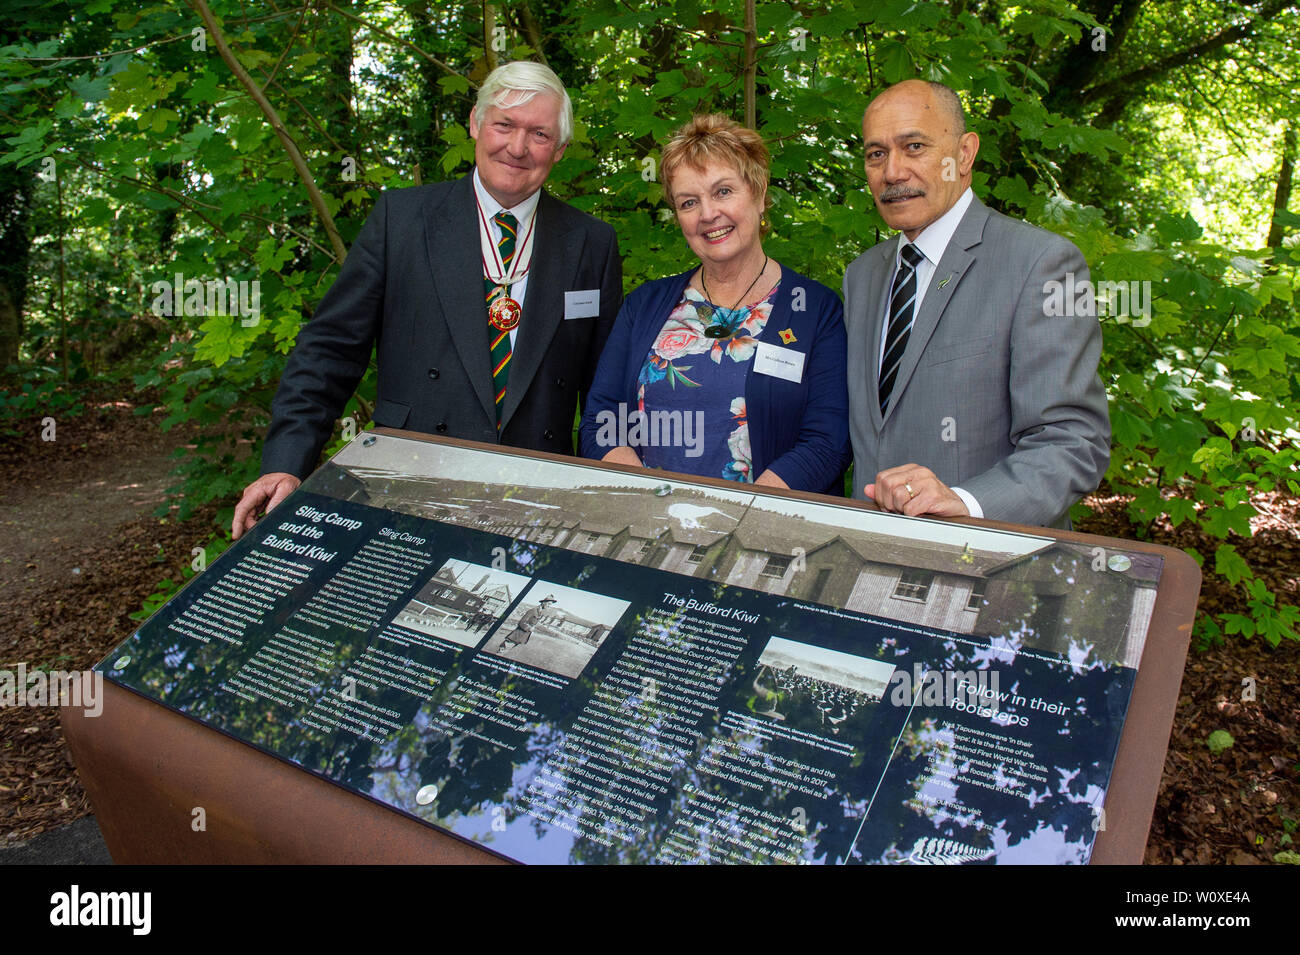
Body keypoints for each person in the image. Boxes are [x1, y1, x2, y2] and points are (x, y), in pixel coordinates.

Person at [232, 62, 623, 538]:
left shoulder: (592, 243)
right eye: (504, 125)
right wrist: (285, 463)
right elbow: (329, 350)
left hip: (536, 494)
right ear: (476, 125)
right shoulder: (402, 218)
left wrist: (611, 483)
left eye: (539, 134)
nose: (517, 148)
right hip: (408, 479)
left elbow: (608, 385)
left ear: (559, 150)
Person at [842, 80, 1110, 528]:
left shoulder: (1042, 263)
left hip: (989, 567)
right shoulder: (863, 276)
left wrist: (968, 503)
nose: (892, 172)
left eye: (914, 146)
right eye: (876, 154)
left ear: (964, 154)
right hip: (869, 554)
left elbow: (1073, 441)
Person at [578, 114, 849, 493]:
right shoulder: (644, 306)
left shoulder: (815, 309)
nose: (708, 214)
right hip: (651, 526)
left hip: (764, 528)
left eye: (723, 192)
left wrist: (742, 513)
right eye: (689, 202)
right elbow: (601, 419)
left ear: (758, 192)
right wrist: (642, 494)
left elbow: (827, 441)